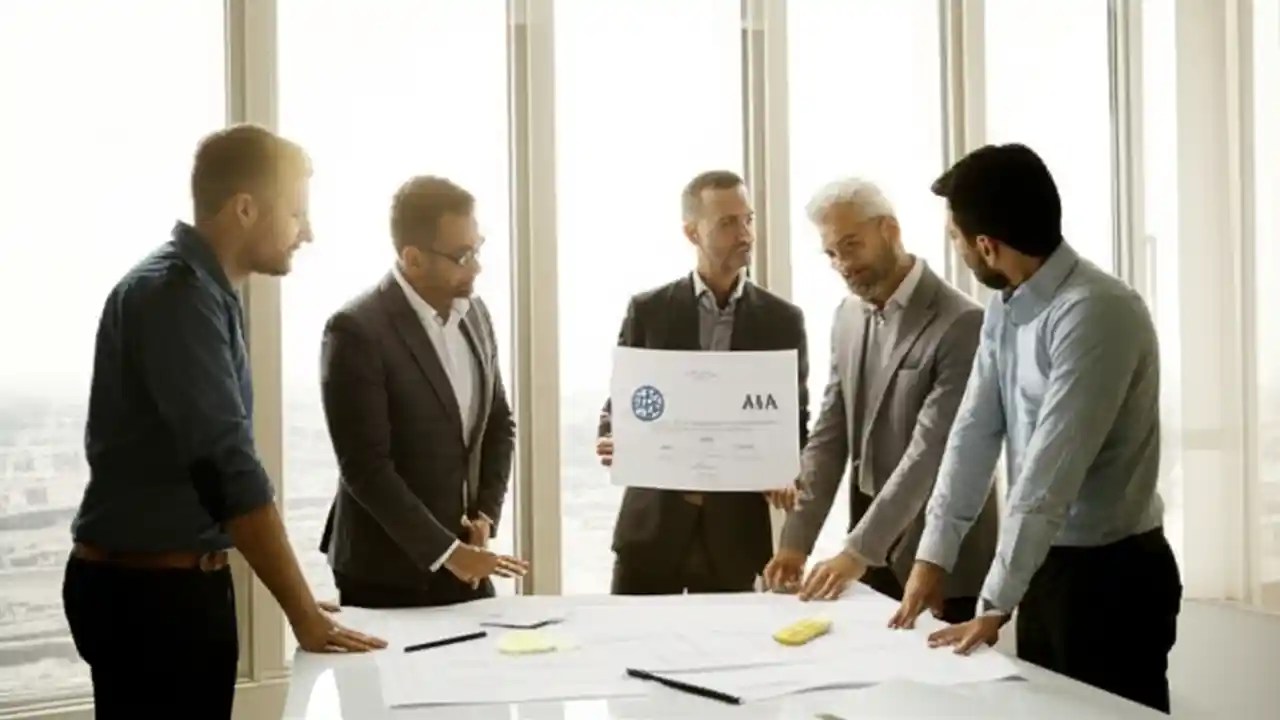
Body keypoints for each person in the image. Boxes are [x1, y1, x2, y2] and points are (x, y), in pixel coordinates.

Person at [64, 124, 385, 719]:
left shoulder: (206, 293)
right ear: (244, 208)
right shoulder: (174, 296)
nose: (307, 233)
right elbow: (226, 466)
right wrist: (302, 613)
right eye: (296, 214)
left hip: (180, 587)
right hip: (150, 600)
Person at [890, 143, 1181, 714]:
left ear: (986, 246)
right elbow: (973, 432)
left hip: (1114, 576)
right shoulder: (1004, 305)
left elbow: (1052, 470)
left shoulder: (1096, 311)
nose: (954, 250)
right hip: (1046, 566)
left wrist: (995, 601)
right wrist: (934, 558)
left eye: (954, 237)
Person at [762, 178, 997, 622]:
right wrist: (796, 543)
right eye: (831, 253)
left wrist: (855, 552)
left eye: (850, 246)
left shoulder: (963, 323)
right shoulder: (846, 317)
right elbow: (829, 437)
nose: (841, 264)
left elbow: (928, 456)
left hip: (940, 562)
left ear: (889, 230)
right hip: (873, 561)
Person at [318, 175, 528, 608]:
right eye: (462, 255)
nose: (476, 267)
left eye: (478, 248)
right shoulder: (355, 330)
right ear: (412, 258)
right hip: (383, 572)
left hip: (466, 561)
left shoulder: (476, 314)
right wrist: (448, 553)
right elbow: (365, 468)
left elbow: (498, 424)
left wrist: (485, 515)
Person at [596, 170, 808, 595]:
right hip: (652, 529)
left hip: (733, 536)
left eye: (747, 219)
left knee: (724, 656)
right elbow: (620, 403)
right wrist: (613, 435)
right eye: (728, 223)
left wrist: (787, 469)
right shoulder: (649, 310)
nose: (744, 233)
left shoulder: (782, 320)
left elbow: (794, 420)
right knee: (633, 650)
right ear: (692, 232)